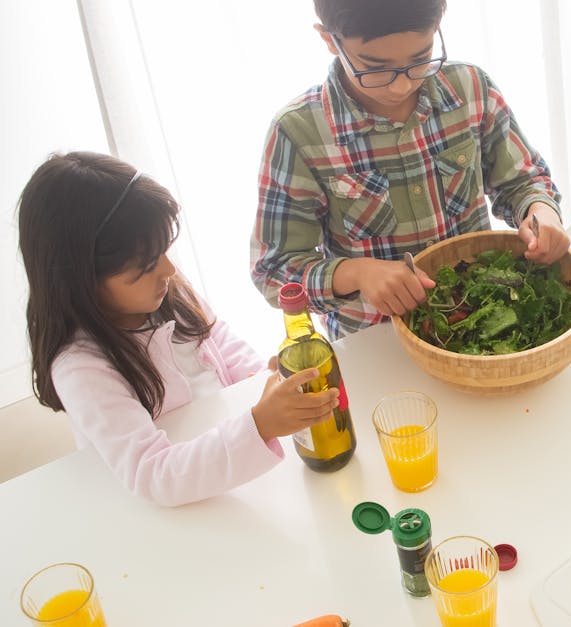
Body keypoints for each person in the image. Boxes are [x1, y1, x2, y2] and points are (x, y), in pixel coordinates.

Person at [18, 152, 341, 507]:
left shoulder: (161, 291)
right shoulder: (81, 369)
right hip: (173, 507)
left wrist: (260, 381)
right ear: (80, 282)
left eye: (164, 251)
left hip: (229, 480)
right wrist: (260, 425)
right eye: (145, 266)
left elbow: (219, 340)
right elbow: (153, 475)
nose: (169, 269)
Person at [250, 0, 570, 339]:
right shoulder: (299, 132)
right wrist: (356, 273)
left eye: (421, 59)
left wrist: (541, 212)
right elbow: (273, 270)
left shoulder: (471, 89)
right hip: (376, 342)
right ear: (330, 41)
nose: (401, 86)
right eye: (375, 68)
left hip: (483, 323)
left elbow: (523, 180)